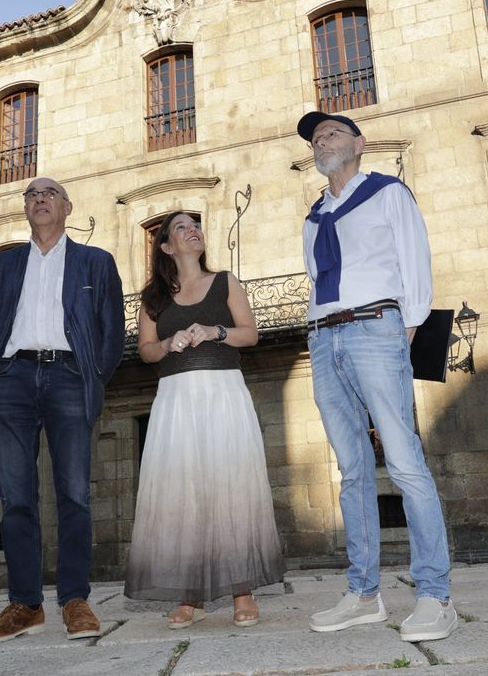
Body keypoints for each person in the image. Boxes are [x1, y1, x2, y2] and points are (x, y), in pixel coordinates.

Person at [297, 112, 458, 642]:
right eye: (317, 137)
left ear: (360, 144)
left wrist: (406, 327)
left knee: (406, 461)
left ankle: (435, 595)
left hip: (376, 327)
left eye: (333, 133)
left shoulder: (389, 193)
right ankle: (364, 594)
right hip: (324, 338)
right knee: (353, 469)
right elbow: (315, 279)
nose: (322, 140)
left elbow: (416, 261)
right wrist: (317, 334)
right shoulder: (313, 215)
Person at [0, 177, 125, 643]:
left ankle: (75, 600)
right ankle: (24, 605)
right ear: (25, 209)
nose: (39, 198)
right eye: (32, 194)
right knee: (16, 497)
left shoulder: (95, 262)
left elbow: (111, 330)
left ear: (68, 207)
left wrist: (90, 375)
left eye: (49, 193)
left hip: (68, 377)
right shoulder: (4, 265)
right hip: (14, 378)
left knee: (74, 493)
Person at [124, 212, 285, 629]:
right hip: (176, 399)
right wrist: (167, 342)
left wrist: (215, 331)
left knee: (230, 484)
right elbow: (145, 351)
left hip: (223, 392)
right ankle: (188, 594)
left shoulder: (225, 282)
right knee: (184, 491)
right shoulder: (152, 299)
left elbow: (250, 334)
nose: (192, 229)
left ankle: (242, 590)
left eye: (195, 225)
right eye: (180, 227)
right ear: (164, 247)